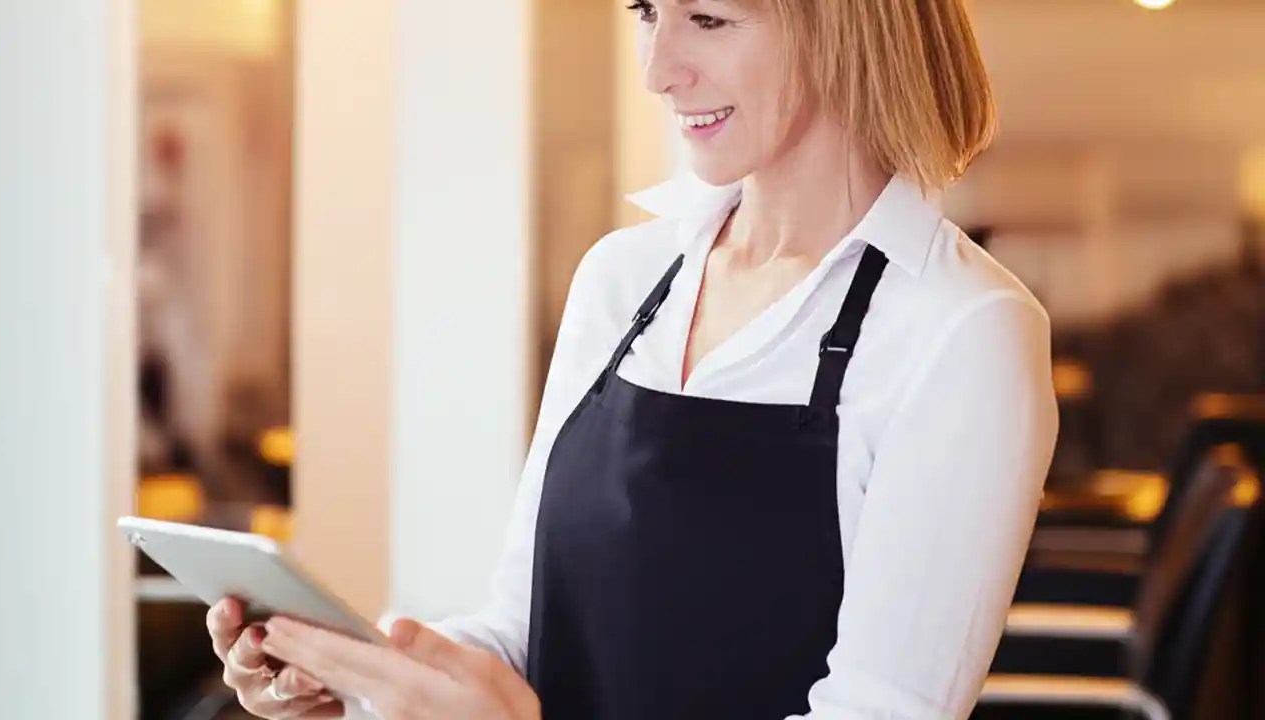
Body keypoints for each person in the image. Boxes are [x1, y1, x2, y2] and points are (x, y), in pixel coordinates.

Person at [207, 0, 1059, 717]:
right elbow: (526, 630)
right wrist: (359, 676)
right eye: (647, 12)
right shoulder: (623, 279)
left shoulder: (963, 331)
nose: (658, 68)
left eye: (709, 19)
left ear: (841, 25)